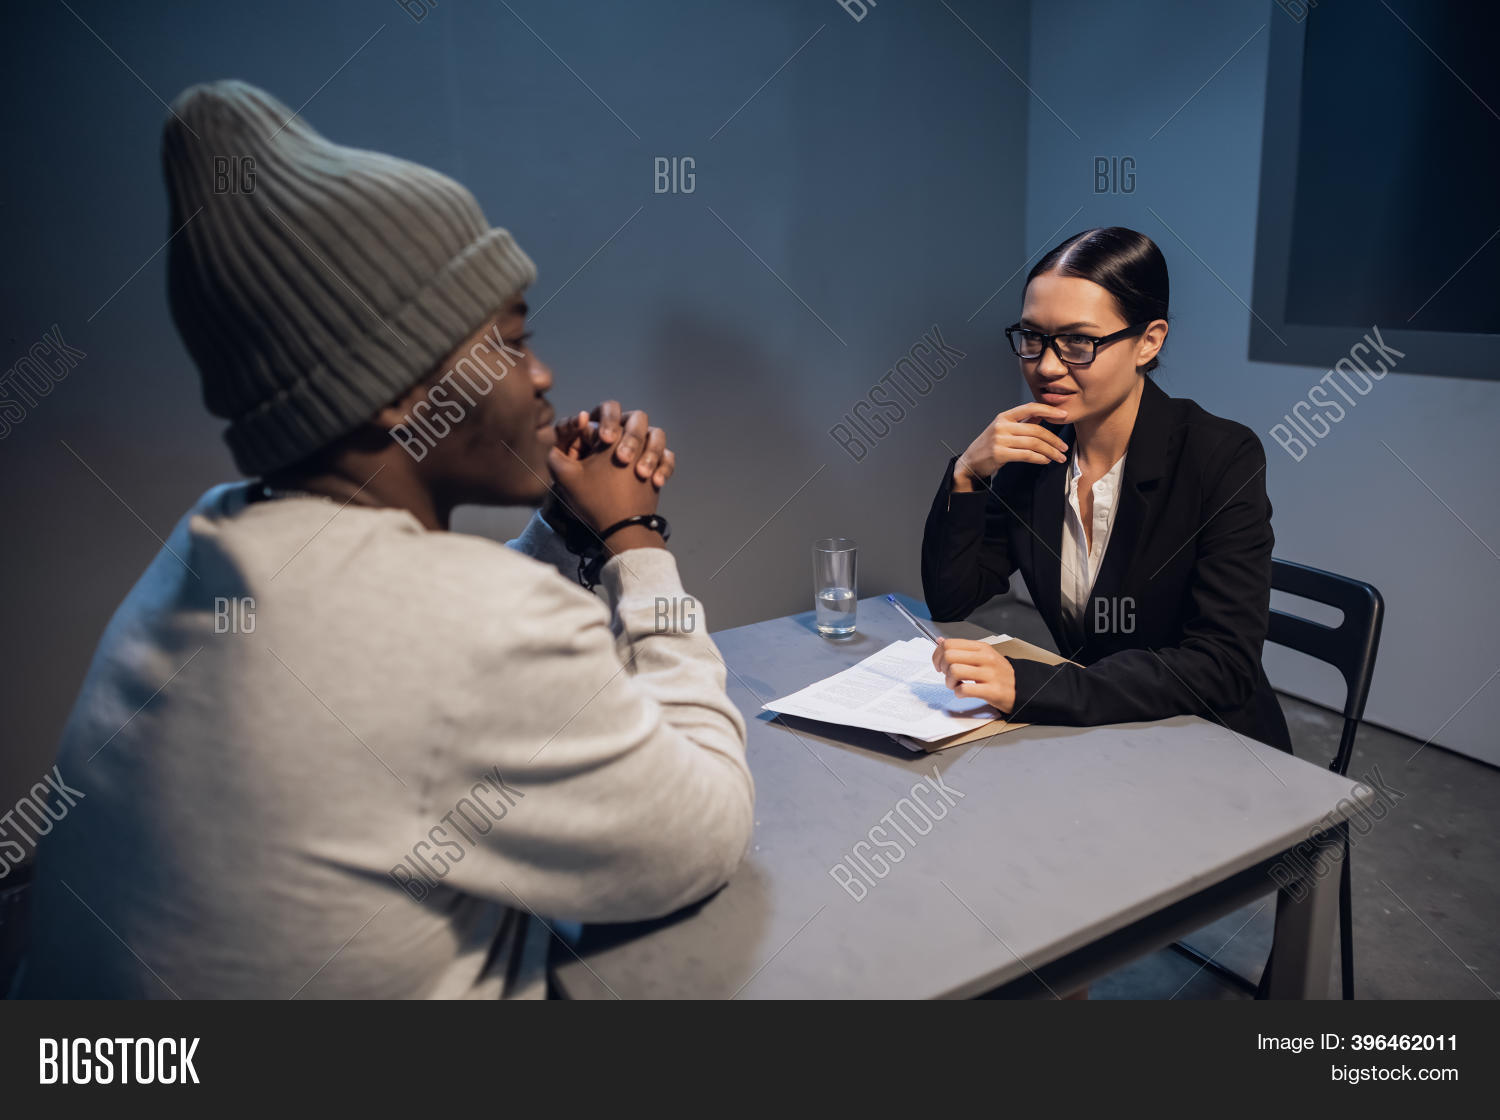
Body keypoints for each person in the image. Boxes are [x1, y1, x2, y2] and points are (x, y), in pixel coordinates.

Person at [15, 81, 753, 999]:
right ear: (397, 394)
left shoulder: (209, 536)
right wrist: (635, 537)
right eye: (514, 342)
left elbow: (423, 657)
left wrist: (568, 530)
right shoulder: (469, 626)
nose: (543, 376)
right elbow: (707, 828)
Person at [921, 227, 1292, 755]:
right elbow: (951, 597)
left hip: (1212, 745)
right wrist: (968, 475)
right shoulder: (1037, 456)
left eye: (1078, 342)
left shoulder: (1219, 455)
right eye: (1032, 338)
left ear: (1149, 341)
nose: (1047, 365)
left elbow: (1223, 665)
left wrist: (1033, 686)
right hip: (1100, 734)